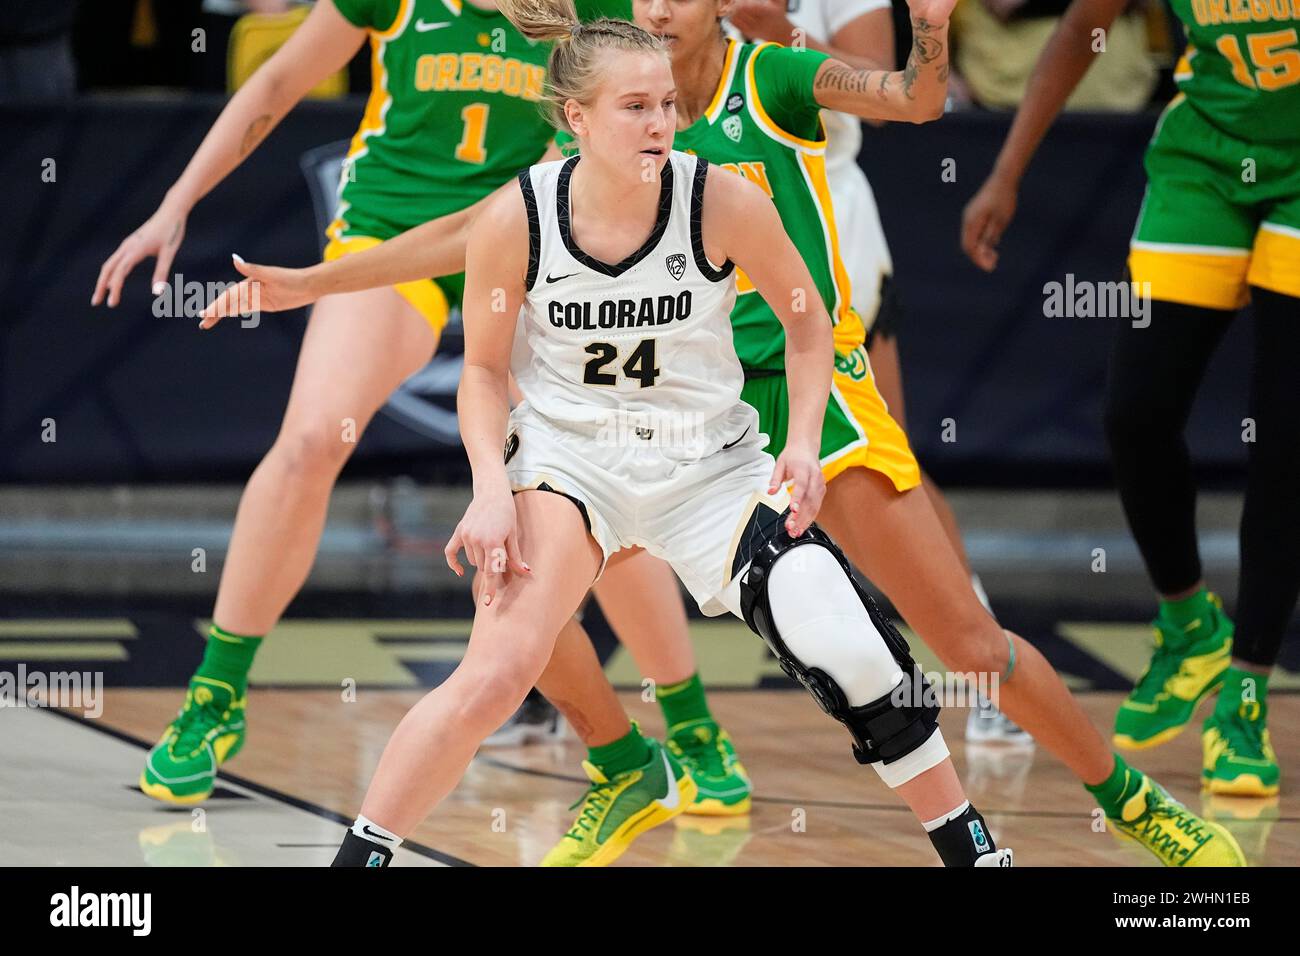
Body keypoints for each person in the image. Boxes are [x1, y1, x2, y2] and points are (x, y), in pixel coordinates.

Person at [212, 0, 1244, 870]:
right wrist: (311, 281)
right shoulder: (606, 91)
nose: (656, 10)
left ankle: (1123, 796)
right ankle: (622, 763)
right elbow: (475, 227)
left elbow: (918, 102)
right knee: (510, 615)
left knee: (964, 643)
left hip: (795, 403)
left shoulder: (775, 78)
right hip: (642, 414)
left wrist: (930, 36)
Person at [326, 3, 1016, 868]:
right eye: (633, 107)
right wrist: (490, 489)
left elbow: (809, 328)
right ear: (575, 118)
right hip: (572, 465)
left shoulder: (720, 199)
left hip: (708, 466)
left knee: (846, 642)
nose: (659, 123)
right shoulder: (518, 216)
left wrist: (802, 443)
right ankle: (363, 857)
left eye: (664, 105)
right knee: (497, 669)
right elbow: (480, 373)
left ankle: (975, 850)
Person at [90, 0, 730, 811]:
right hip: (394, 233)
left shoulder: (585, 8)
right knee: (314, 437)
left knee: (595, 482)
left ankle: (695, 730)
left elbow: (663, 100)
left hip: (535, 235)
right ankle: (214, 700)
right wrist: (176, 201)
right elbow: (280, 78)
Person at [961, 0, 1299, 797]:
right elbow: (1084, 26)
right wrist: (1007, 172)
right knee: (1136, 412)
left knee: (1286, 440)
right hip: (1204, 160)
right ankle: (1188, 625)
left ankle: (1245, 695)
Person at [727, 0, 1030, 746]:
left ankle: (980, 661)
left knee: (882, 466)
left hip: (815, 212)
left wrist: (778, 31)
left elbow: (894, 93)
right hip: (695, 222)